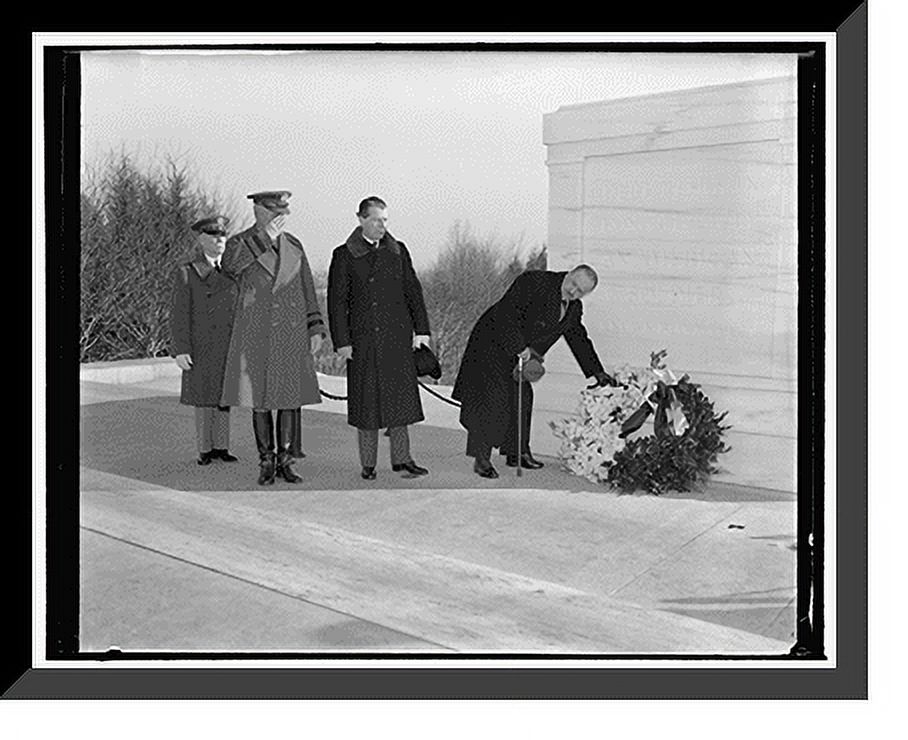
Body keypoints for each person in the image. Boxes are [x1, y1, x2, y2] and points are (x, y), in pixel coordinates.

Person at [452, 265, 616, 478]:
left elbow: (578, 338)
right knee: (492, 400)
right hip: (492, 343)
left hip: (522, 354)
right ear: (568, 274)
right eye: (573, 284)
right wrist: (518, 347)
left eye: (581, 292)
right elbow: (506, 314)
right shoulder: (534, 282)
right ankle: (481, 458)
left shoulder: (573, 308)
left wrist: (597, 371)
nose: (574, 292)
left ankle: (517, 453)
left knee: (522, 398)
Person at [220, 191, 326, 486]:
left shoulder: (294, 245)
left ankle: (286, 461)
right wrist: (263, 237)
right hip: (257, 333)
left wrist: (315, 327)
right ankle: (266, 460)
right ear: (258, 211)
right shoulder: (240, 243)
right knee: (261, 400)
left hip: (290, 333)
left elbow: (307, 287)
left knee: (290, 399)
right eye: (274, 211)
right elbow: (230, 267)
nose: (281, 216)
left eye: (283, 211)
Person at [327, 196, 432, 481]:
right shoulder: (344, 255)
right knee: (367, 405)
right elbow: (337, 303)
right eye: (375, 220)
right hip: (364, 341)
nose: (381, 226)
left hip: (397, 339)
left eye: (385, 220)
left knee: (400, 404)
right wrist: (342, 342)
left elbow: (413, 291)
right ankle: (368, 464)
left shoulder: (398, 251)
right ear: (360, 219)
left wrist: (421, 331)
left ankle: (403, 460)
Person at [169, 215, 240, 466]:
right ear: (201, 239)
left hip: (227, 346)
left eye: (222, 235)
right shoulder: (187, 273)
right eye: (213, 235)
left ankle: (222, 447)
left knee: (224, 398)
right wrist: (180, 350)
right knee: (203, 399)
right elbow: (179, 314)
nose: (219, 240)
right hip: (200, 347)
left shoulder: (232, 273)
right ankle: (204, 450)